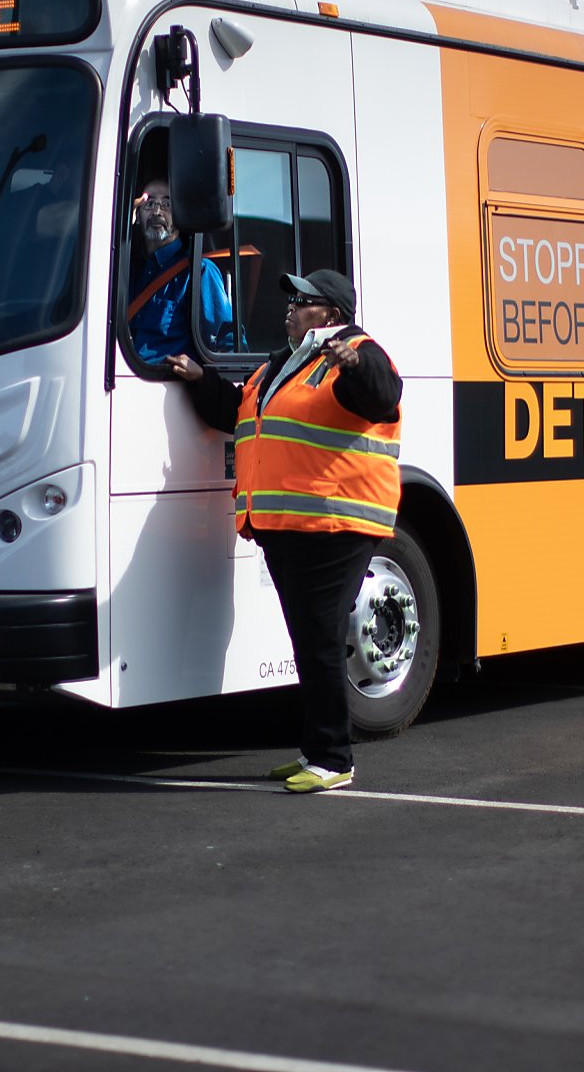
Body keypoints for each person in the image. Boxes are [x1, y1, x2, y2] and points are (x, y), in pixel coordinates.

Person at [167, 268, 402, 793]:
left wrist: (354, 363)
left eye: (303, 302)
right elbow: (239, 413)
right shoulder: (283, 364)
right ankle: (316, 750)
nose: (290, 309)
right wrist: (200, 379)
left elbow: (383, 395)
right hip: (289, 525)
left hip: (336, 523)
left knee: (319, 639)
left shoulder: (356, 352)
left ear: (332, 314)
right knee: (308, 641)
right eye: (291, 301)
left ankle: (334, 759)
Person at [129, 178, 232, 364]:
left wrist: (202, 376)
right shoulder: (127, 270)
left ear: (181, 215)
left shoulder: (199, 271)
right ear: (137, 215)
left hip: (163, 380)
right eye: (149, 204)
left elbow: (229, 345)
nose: (157, 212)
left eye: (167, 205)